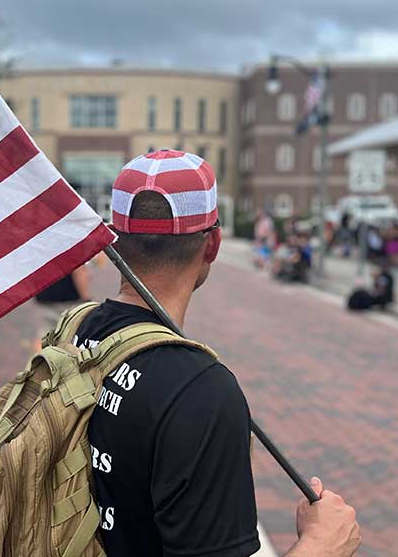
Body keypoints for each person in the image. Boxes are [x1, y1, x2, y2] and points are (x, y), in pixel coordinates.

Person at [75, 149, 360, 557]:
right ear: (213, 244)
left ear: (113, 238)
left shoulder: (75, 332)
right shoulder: (202, 393)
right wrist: (323, 545)